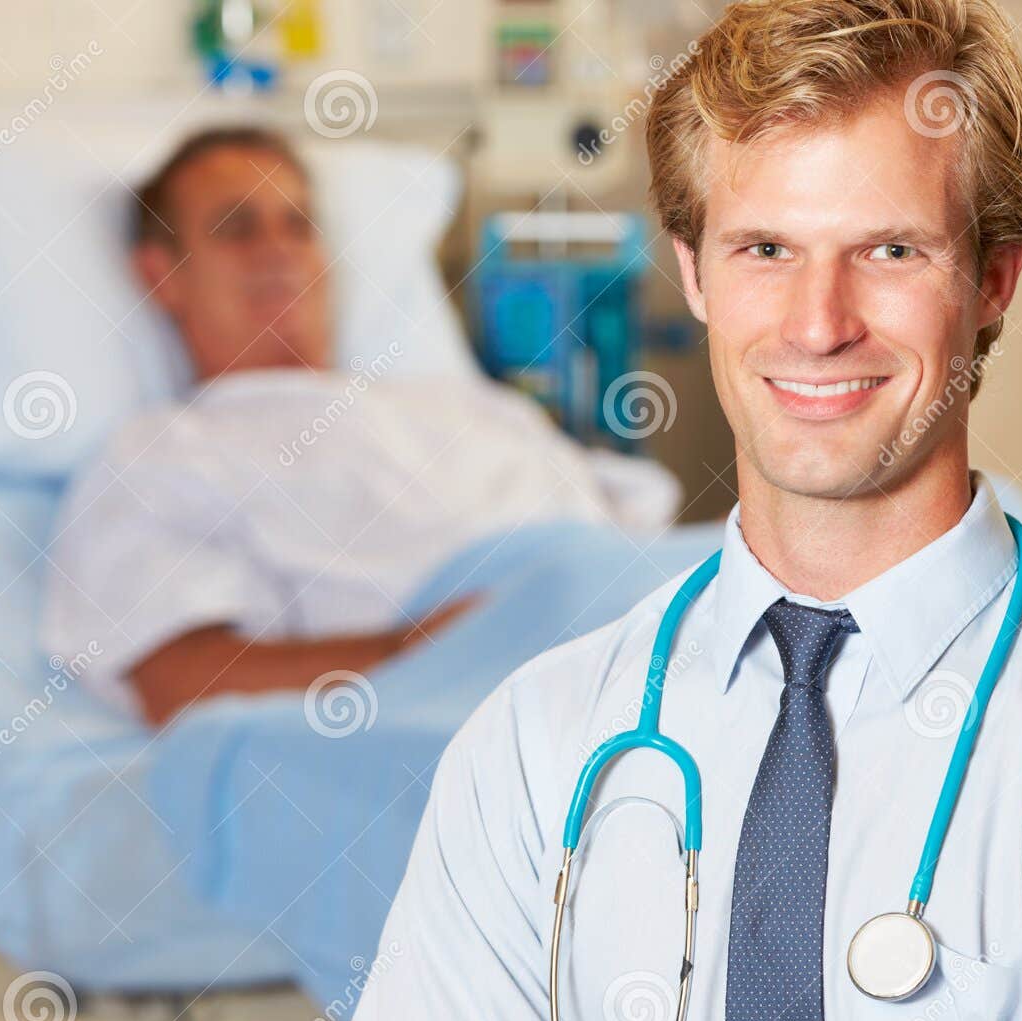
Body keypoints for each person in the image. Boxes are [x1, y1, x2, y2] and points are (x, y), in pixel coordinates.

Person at [346, 0, 1022, 1021]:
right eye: (765, 248)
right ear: (695, 272)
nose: (816, 322)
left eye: (889, 249)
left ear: (992, 277)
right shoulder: (529, 750)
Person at [40, 128, 680, 725]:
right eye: (236, 228)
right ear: (163, 274)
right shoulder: (162, 453)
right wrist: (415, 652)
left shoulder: (470, 405)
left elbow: (633, 547)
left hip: (651, 625)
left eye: (299, 224)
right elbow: (178, 679)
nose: (278, 250)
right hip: (484, 699)